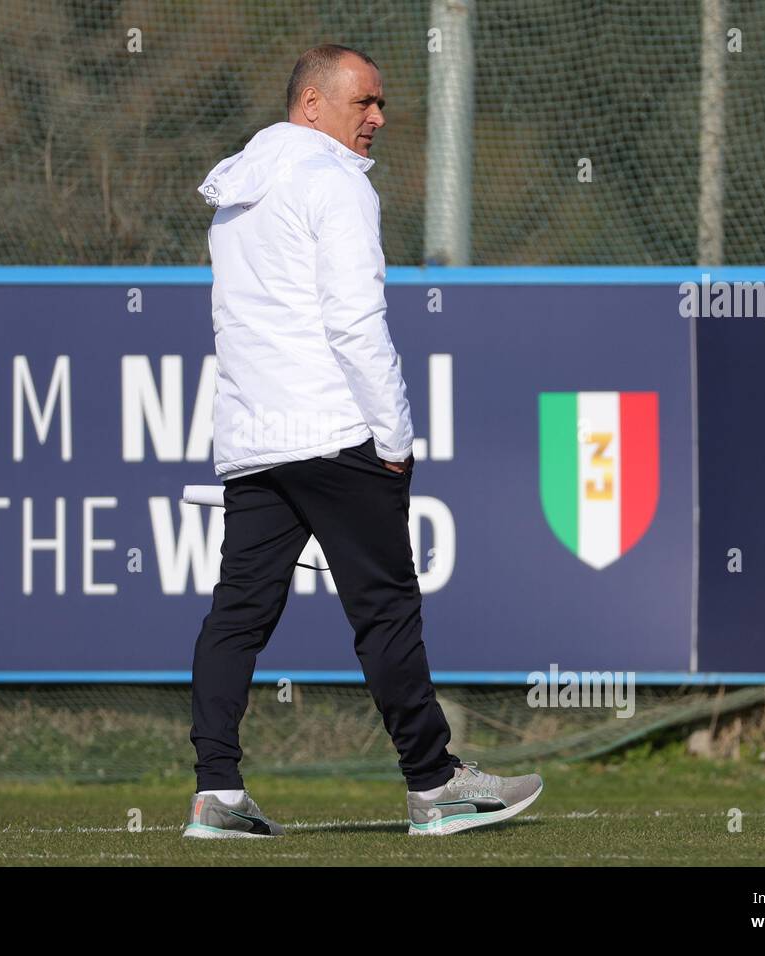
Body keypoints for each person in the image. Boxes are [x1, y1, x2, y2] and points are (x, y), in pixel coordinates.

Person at [184, 44, 542, 839]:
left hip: (255, 438)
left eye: (381, 104)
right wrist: (395, 434)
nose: (378, 118)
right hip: (336, 433)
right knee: (385, 611)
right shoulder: (332, 181)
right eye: (364, 103)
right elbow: (353, 321)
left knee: (237, 615)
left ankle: (217, 793)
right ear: (311, 106)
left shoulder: (239, 187)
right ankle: (433, 784)